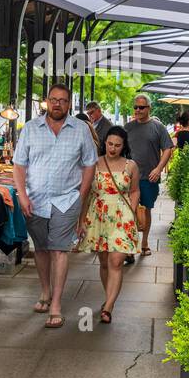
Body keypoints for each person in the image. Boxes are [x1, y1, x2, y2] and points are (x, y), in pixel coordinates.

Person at [13, 83, 98, 329]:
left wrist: (81, 195)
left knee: (59, 250)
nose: (57, 103)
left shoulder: (81, 129)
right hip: (35, 199)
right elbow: (19, 165)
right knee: (41, 248)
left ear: (69, 104)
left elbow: (90, 164)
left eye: (62, 100)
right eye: (53, 99)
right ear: (46, 102)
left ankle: (57, 304)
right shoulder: (30, 129)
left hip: (67, 199)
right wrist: (21, 195)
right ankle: (44, 291)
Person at [77, 125, 140, 324]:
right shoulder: (93, 164)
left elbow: (135, 190)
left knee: (116, 262)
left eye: (117, 145)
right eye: (110, 144)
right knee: (104, 263)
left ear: (124, 146)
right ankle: (108, 297)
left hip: (122, 216)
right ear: (105, 143)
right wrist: (80, 220)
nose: (113, 148)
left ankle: (109, 306)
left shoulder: (131, 165)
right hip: (98, 216)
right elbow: (85, 193)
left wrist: (132, 209)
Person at [123, 93, 173, 259]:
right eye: (136, 107)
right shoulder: (128, 128)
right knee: (129, 211)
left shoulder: (158, 127)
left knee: (145, 211)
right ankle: (130, 246)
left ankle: (144, 243)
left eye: (141, 107)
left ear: (148, 108)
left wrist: (159, 169)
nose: (138, 110)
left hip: (148, 177)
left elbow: (168, 148)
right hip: (128, 178)